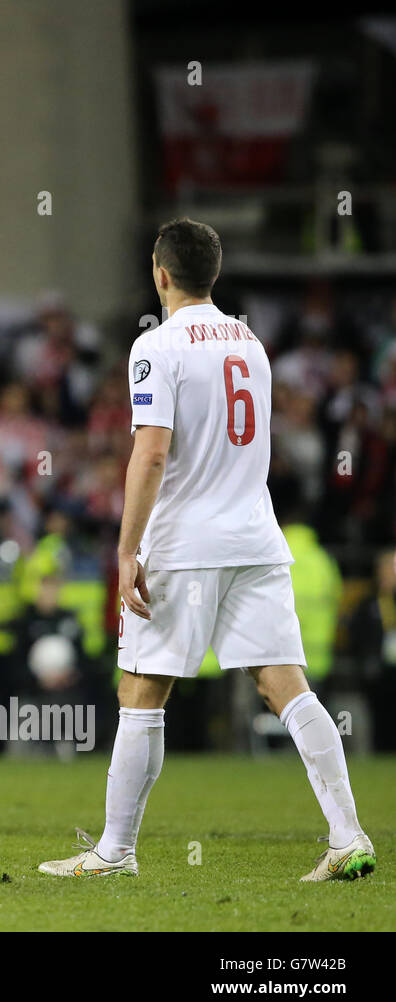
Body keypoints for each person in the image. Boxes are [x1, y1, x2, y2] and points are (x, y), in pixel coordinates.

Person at [38, 218, 374, 882]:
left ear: (160, 273)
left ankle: (115, 851)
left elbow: (151, 452)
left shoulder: (155, 346)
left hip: (185, 543)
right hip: (256, 537)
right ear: (212, 274)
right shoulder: (252, 344)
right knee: (286, 685)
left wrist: (126, 550)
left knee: (141, 689)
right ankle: (348, 835)